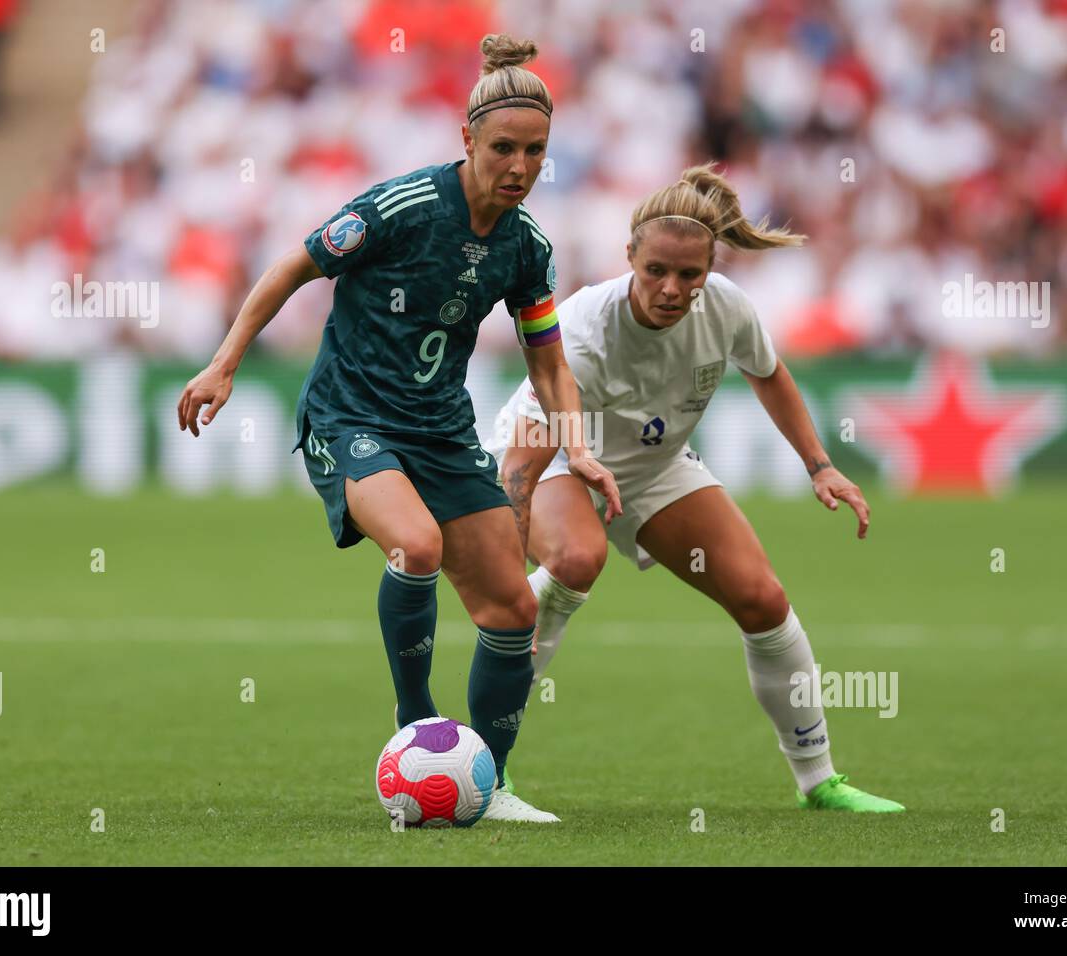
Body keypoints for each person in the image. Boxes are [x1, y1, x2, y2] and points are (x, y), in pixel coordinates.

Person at [177, 34, 620, 823]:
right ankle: (415, 721)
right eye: (504, 148)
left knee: (513, 610)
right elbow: (293, 267)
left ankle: (490, 783)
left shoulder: (526, 248)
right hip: (350, 414)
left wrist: (578, 446)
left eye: (536, 151)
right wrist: (224, 363)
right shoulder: (402, 206)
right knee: (416, 546)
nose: (519, 166)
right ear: (467, 139)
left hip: (441, 429)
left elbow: (549, 361)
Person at [489, 164, 904, 816]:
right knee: (574, 560)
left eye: (690, 274)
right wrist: (510, 585)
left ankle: (819, 781)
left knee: (763, 600)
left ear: (711, 269)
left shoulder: (727, 308)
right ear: (629, 256)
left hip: (655, 468)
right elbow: (520, 468)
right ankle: (487, 766)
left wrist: (820, 465)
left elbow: (769, 373)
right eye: (656, 270)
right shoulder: (585, 330)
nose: (671, 288)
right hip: (564, 460)